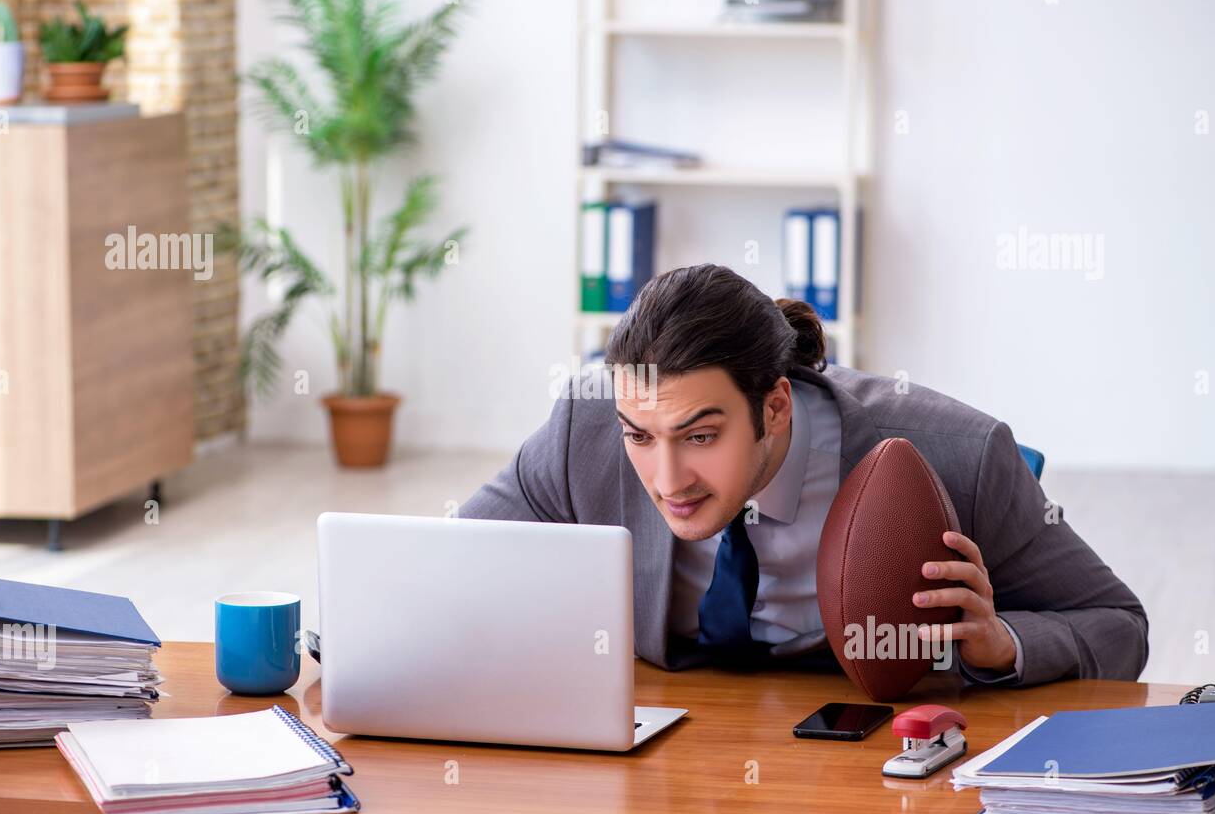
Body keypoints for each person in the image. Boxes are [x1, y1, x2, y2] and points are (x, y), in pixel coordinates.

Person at [459, 264, 1148, 686]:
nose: (667, 477)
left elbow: (1119, 623)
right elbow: (455, 565)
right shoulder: (586, 429)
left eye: (701, 435)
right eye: (640, 435)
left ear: (775, 405)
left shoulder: (963, 454)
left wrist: (1006, 644)